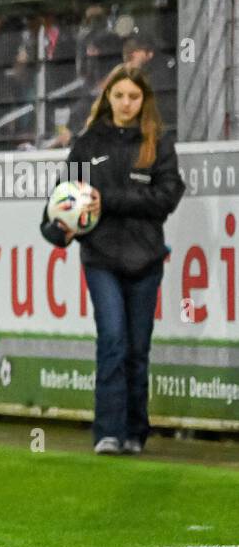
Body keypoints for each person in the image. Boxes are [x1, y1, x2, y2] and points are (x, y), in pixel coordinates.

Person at [39, 64, 185, 455]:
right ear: (108, 99)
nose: (126, 103)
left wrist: (111, 201)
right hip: (101, 257)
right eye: (119, 96)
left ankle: (135, 432)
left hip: (146, 260)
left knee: (138, 348)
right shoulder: (88, 145)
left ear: (144, 101)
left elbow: (167, 197)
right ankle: (107, 432)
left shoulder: (157, 144)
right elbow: (59, 204)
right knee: (113, 341)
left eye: (134, 97)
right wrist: (59, 231)